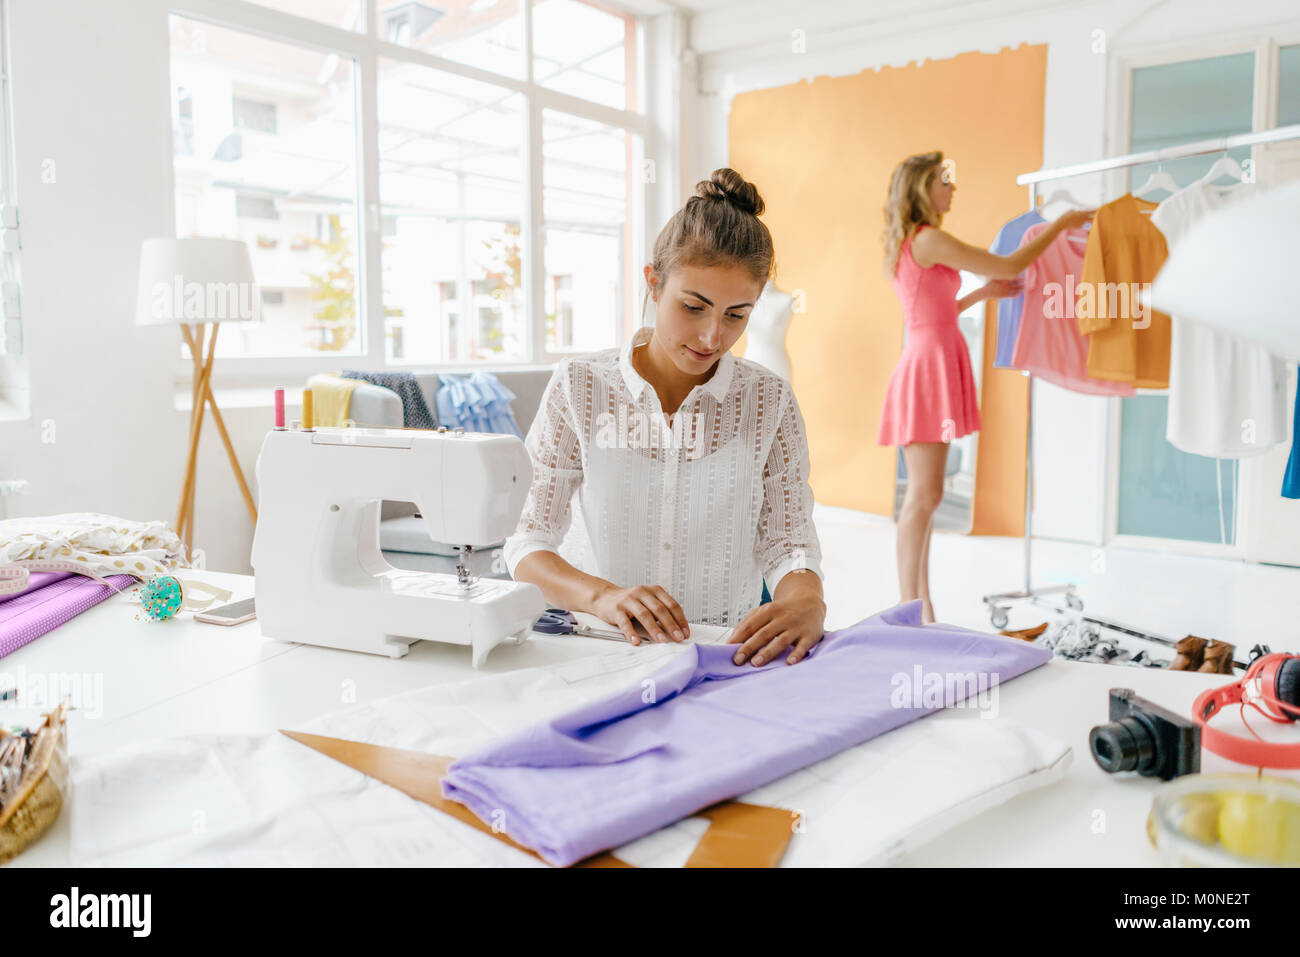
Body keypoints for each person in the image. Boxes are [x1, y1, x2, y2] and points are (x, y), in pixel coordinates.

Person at [505, 168, 826, 667]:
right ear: (654, 283)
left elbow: (789, 542)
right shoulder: (579, 385)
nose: (711, 337)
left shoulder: (769, 400)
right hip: (600, 651)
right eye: (694, 307)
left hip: (723, 660)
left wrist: (807, 597)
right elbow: (527, 542)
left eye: (736, 315)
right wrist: (602, 597)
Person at [878, 151, 1093, 624]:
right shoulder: (929, 238)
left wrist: (981, 295)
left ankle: (921, 606)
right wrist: (1063, 225)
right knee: (923, 497)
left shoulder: (917, 241)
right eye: (943, 182)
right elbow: (1010, 262)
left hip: (933, 356)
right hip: (928, 366)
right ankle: (907, 607)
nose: (952, 189)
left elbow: (934, 309)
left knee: (927, 495)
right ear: (921, 190)